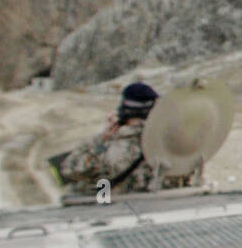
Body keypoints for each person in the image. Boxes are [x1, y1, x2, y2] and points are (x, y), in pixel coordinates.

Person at [54, 82, 201, 196]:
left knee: (88, 186)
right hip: (163, 217)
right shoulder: (178, 149)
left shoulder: (106, 151)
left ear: (123, 112)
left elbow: (68, 169)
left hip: (112, 216)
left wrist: (100, 139)